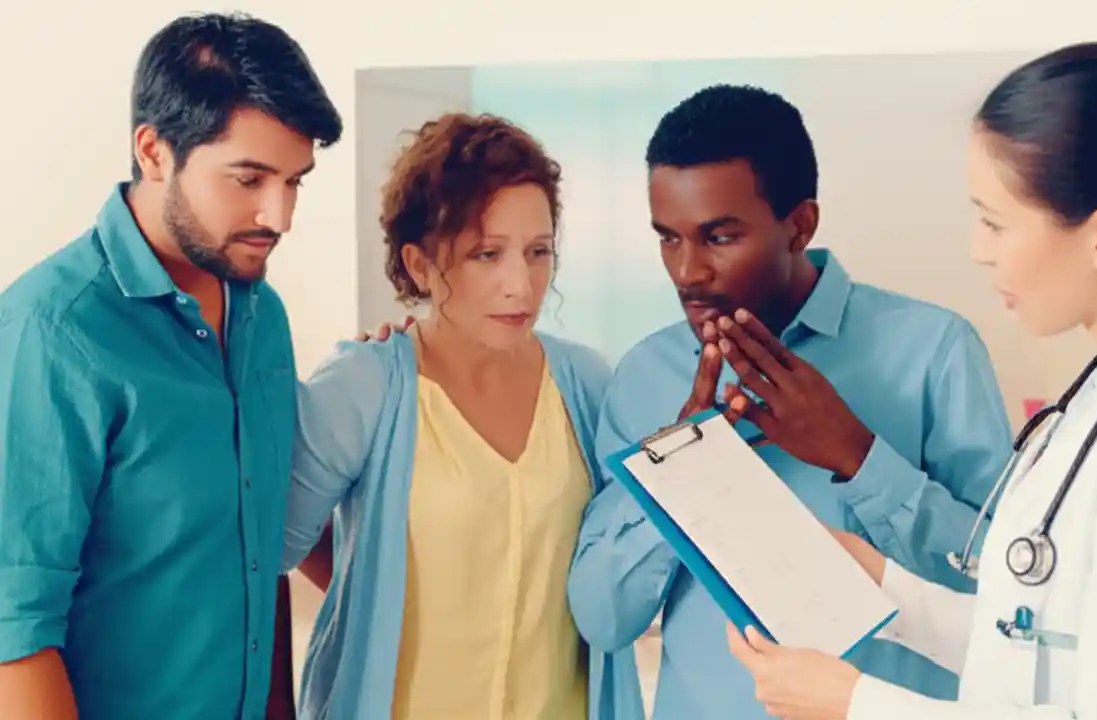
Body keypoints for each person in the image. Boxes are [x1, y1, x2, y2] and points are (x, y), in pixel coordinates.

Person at [727, 41, 1097, 719]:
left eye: (993, 221)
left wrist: (858, 705)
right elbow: (1039, 647)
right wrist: (885, 591)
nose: (976, 249)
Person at [565, 84, 1014, 719]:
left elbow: (1006, 603)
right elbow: (601, 618)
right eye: (668, 238)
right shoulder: (646, 373)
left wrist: (860, 459)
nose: (688, 271)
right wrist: (684, 473)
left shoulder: (934, 350)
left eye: (719, 237)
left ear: (800, 224)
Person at [0, 12, 341, 720]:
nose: (278, 216)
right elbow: (14, 631)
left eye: (294, 182)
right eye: (249, 179)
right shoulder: (53, 332)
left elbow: (259, 548)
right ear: (154, 151)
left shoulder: (260, 315)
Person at [275, 112, 645, 720]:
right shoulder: (365, 384)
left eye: (537, 251)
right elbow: (274, 546)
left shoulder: (587, 383)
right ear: (420, 265)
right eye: (486, 254)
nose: (520, 285)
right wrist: (363, 578)